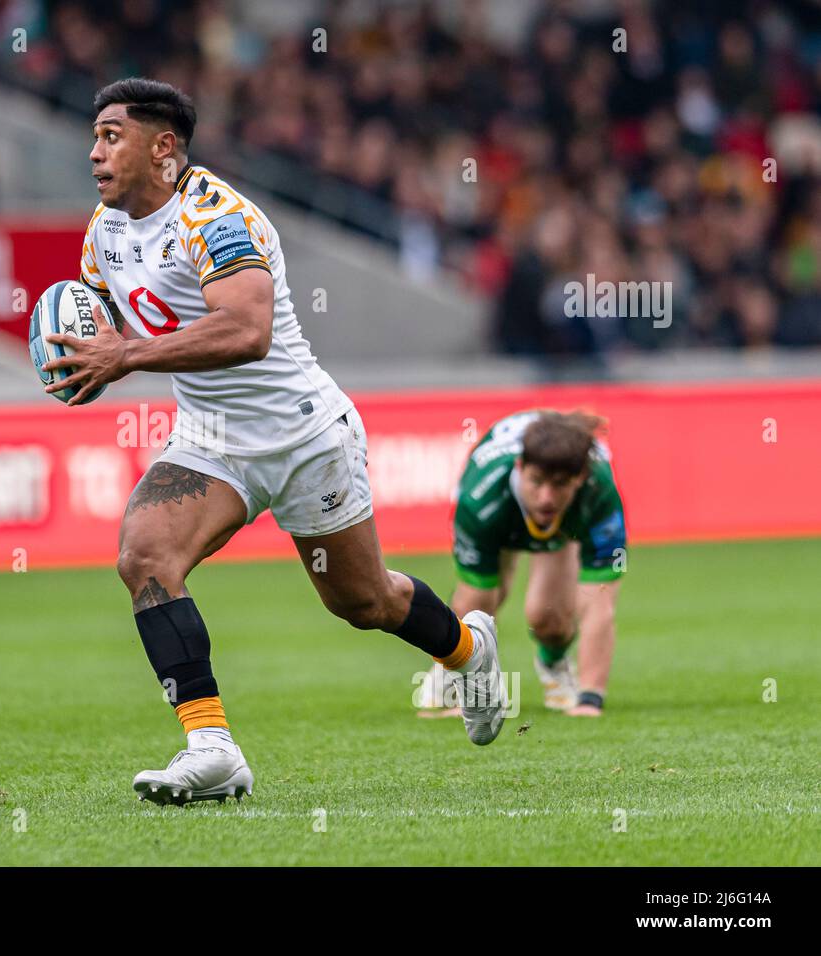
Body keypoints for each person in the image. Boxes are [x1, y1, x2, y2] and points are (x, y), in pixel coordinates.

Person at [41, 78, 509, 806]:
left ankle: (471, 651)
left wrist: (126, 356)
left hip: (303, 436)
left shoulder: (217, 217)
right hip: (212, 438)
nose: (94, 150)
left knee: (364, 603)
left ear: (162, 148)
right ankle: (212, 746)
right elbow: (110, 326)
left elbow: (246, 330)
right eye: (95, 135)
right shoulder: (102, 234)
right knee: (145, 554)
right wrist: (88, 354)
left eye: (111, 134)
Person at [416, 410, 626, 720]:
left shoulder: (599, 492)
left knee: (548, 620)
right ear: (520, 467)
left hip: (564, 526)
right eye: (537, 481)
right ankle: (448, 661)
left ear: (579, 479)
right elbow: (477, 603)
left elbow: (599, 600)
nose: (545, 498)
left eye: (559, 485)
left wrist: (590, 700)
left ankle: (554, 663)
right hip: (500, 518)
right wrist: (470, 699)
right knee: (491, 593)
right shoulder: (480, 500)